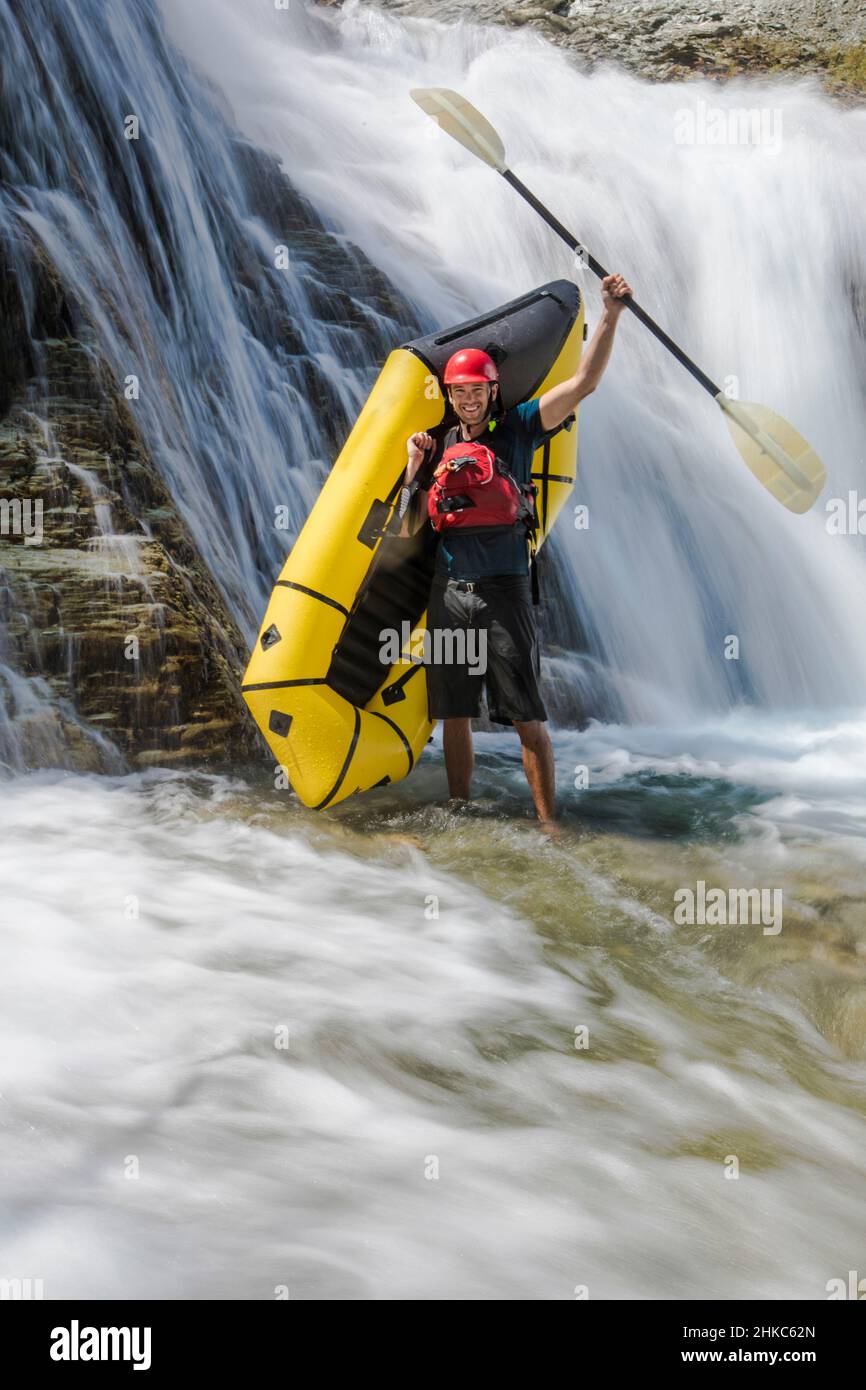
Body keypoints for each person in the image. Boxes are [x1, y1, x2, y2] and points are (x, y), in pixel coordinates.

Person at [399, 273, 632, 822]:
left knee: (526, 717)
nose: (470, 398)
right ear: (451, 396)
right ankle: (459, 810)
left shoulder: (519, 430)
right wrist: (413, 469)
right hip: (450, 595)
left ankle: (549, 826)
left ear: (492, 390)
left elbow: (583, 385)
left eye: (478, 389)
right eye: (461, 391)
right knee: (454, 714)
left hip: (506, 595)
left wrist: (611, 315)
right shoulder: (434, 448)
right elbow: (409, 529)